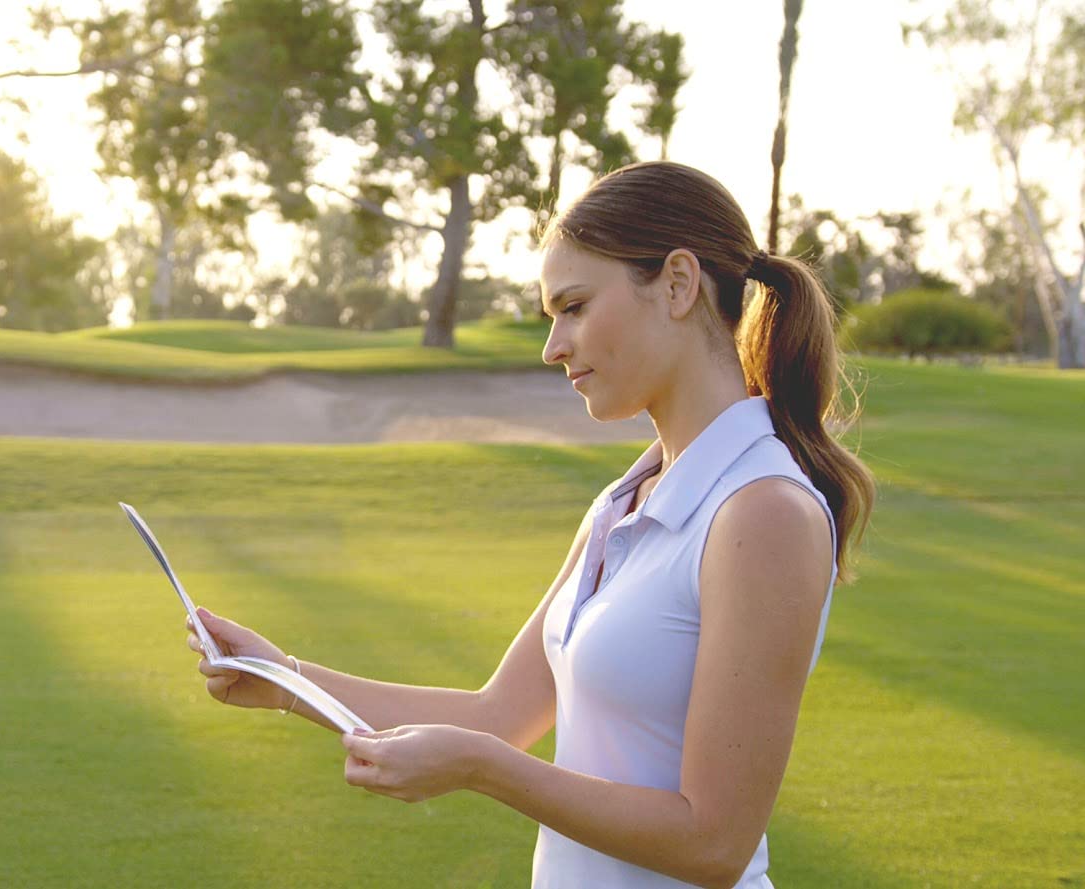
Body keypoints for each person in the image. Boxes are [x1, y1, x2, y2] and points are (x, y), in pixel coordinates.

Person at [184, 160, 875, 888]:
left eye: (573, 307)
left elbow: (712, 841)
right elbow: (498, 713)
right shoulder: (624, 499)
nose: (553, 347)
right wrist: (282, 677)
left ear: (676, 283)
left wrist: (485, 771)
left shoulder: (761, 510)